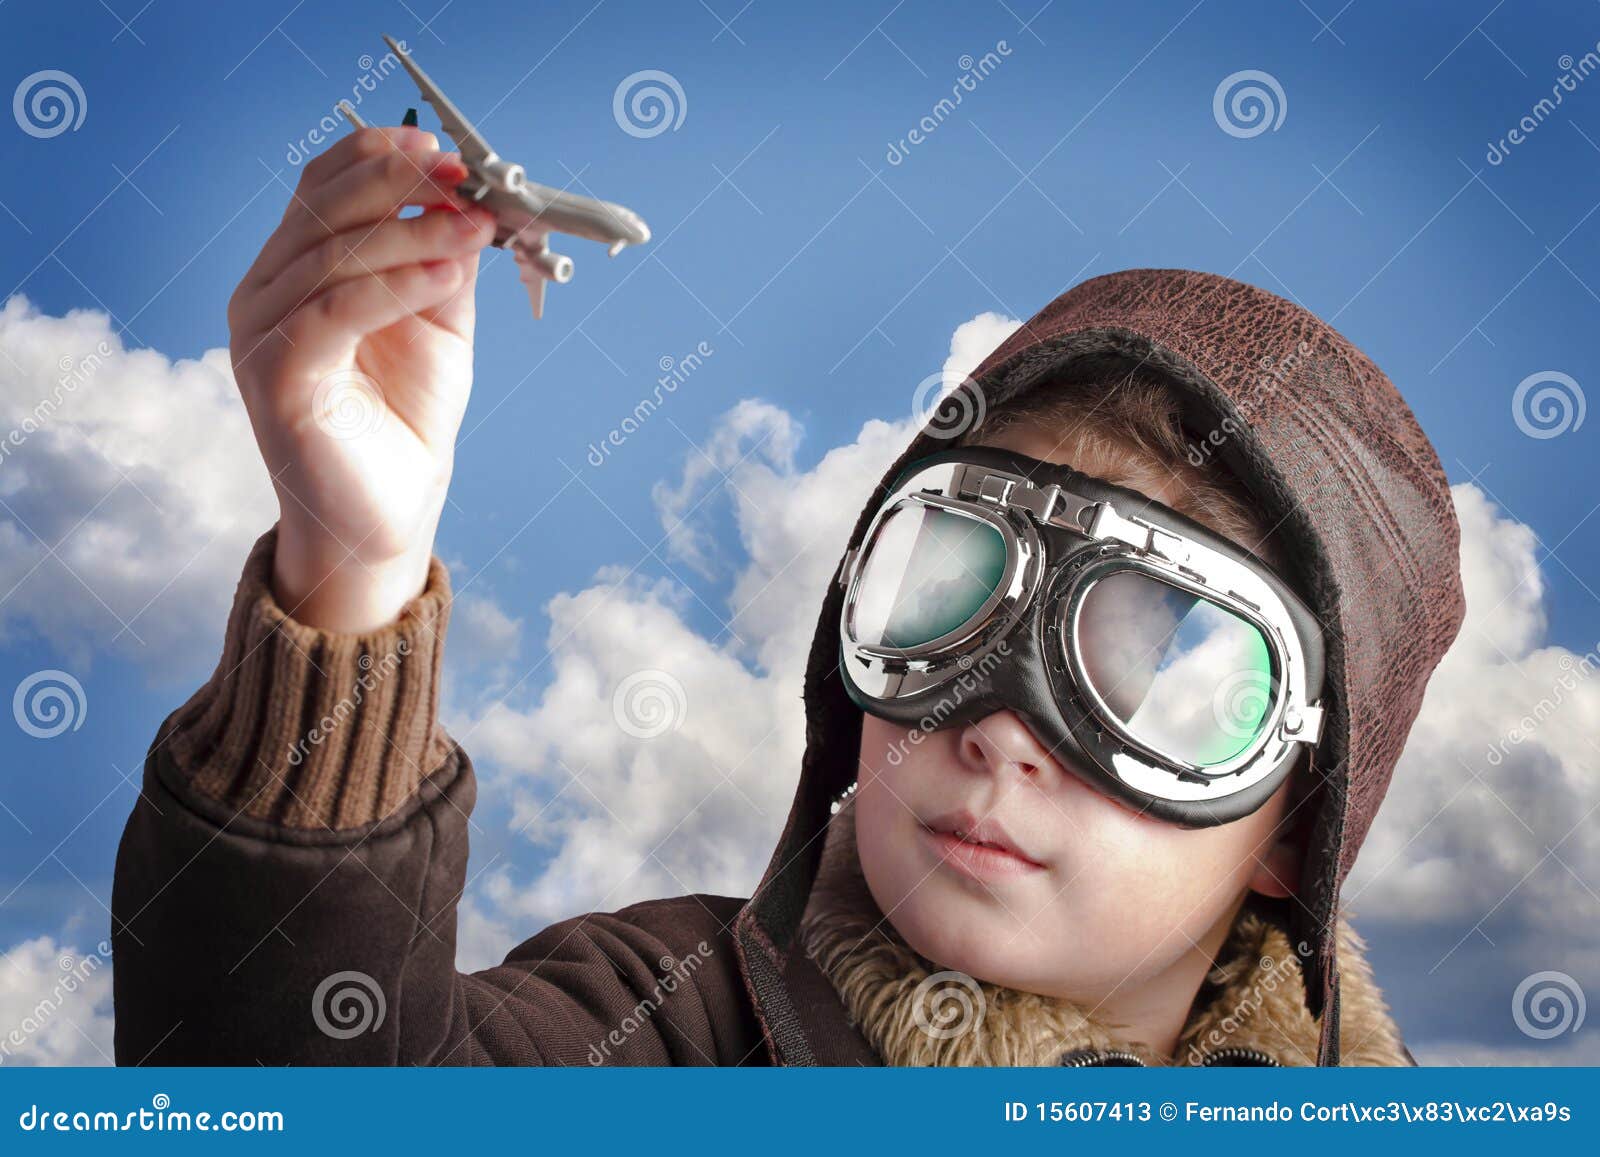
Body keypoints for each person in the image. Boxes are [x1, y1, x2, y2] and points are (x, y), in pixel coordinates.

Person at [111, 126, 1466, 1066]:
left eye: (1162, 674)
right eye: (952, 592)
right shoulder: (667, 1025)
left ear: (1295, 823)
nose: (1001, 725)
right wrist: (349, 570)